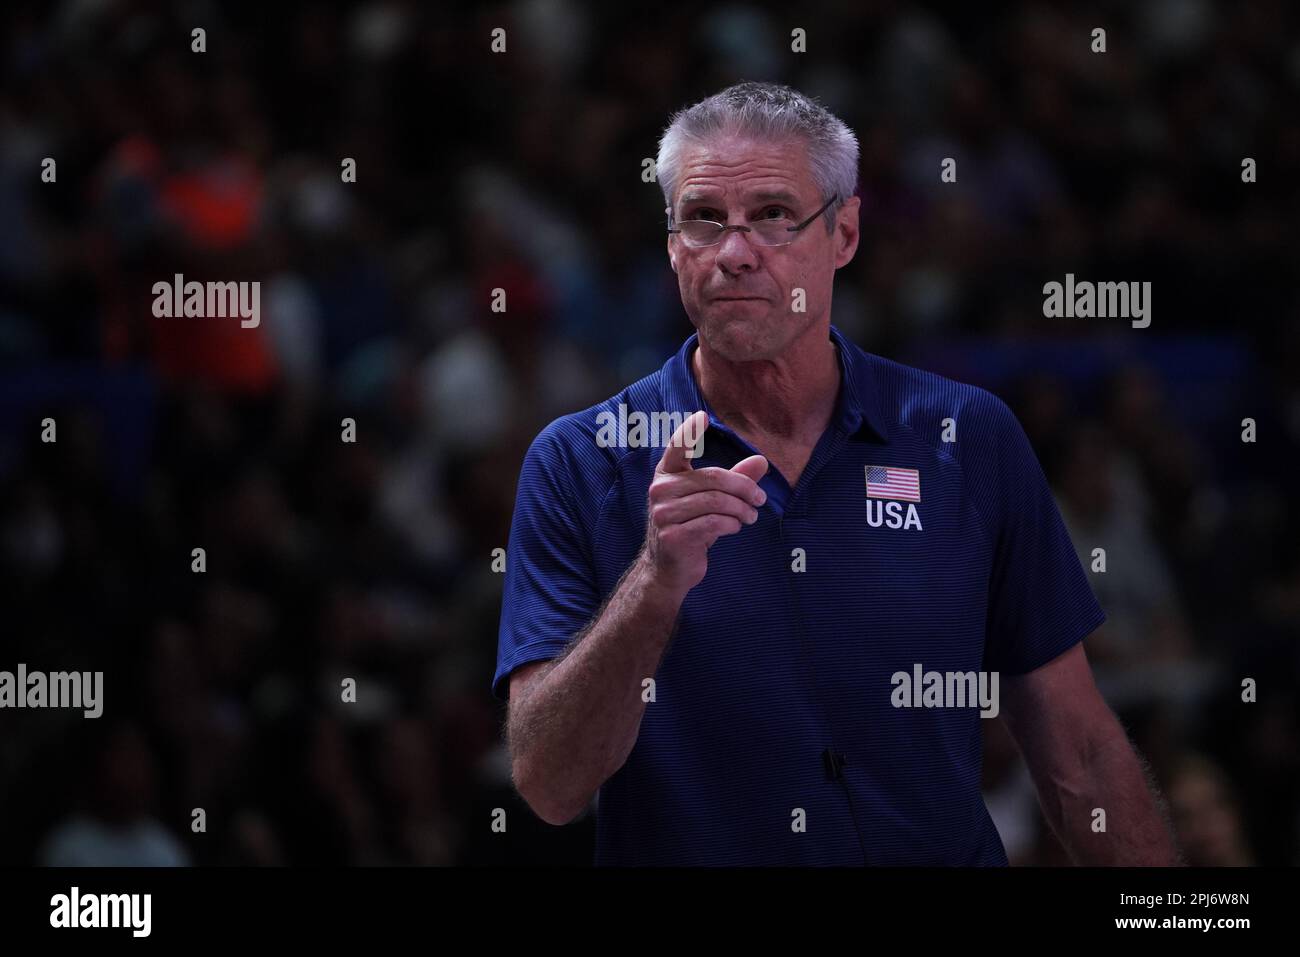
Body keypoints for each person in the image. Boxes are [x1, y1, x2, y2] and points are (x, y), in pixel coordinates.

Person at [493, 81, 1179, 866]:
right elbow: (548, 785)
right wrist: (653, 583)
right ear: (672, 242)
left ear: (845, 232)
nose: (735, 251)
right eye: (703, 219)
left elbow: (1081, 750)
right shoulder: (580, 460)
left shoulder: (967, 436)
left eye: (775, 215)